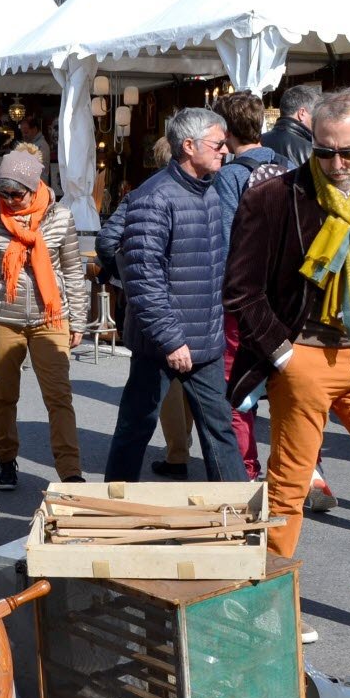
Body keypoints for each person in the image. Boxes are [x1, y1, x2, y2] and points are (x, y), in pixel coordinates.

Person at [226, 89, 350, 567]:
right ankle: (266, 596)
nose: (336, 163)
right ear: (311, 138)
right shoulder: (275, 197)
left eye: (349, 152)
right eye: (324, 150)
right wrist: (283, 355)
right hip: (305, 358)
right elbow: (241, 288)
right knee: (289, 486)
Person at [104, 109, 248, 484]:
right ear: (188, 146)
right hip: (162, 341)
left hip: (205, 338)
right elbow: (143, 276)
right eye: (218, 144)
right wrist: (170, 339)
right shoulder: (154, 198)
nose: (225, 150)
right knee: (136, 426)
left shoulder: (209, 191)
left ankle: (236, 511)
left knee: (220, 430)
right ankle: (112, 505)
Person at [0, 150, 88, 488]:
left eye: (17, 193)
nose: (10, 200)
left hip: (50, 317)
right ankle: (5, 460)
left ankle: (70, 471)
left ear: (34, 186)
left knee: (59, 397)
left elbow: (73, 271)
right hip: (3, 317)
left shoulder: (60, 217)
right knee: (4, 396)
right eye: (4, 193)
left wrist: (79, 319)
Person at [95, 137, 195, 479]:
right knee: (187, 377)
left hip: (155, 303)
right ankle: (182, 448)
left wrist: (126, 277)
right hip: (198, 304)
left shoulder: (143, 194)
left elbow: (107, 240)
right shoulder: (204, 193)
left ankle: (177, 453)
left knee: (160, 384)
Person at [210, 94, 295, 481]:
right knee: (289, 387)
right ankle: (301, 469)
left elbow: (228, 243)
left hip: (245, 300)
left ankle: (245, 470)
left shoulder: (229, 177)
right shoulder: (289, 167)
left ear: (226, 131)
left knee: (239, 389)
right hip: (289, 297)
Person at [261, 83, 320, 167]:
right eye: (315, 115)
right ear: (302, 113)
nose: (317, 120)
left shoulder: (258, 142)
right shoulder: (310, 150)